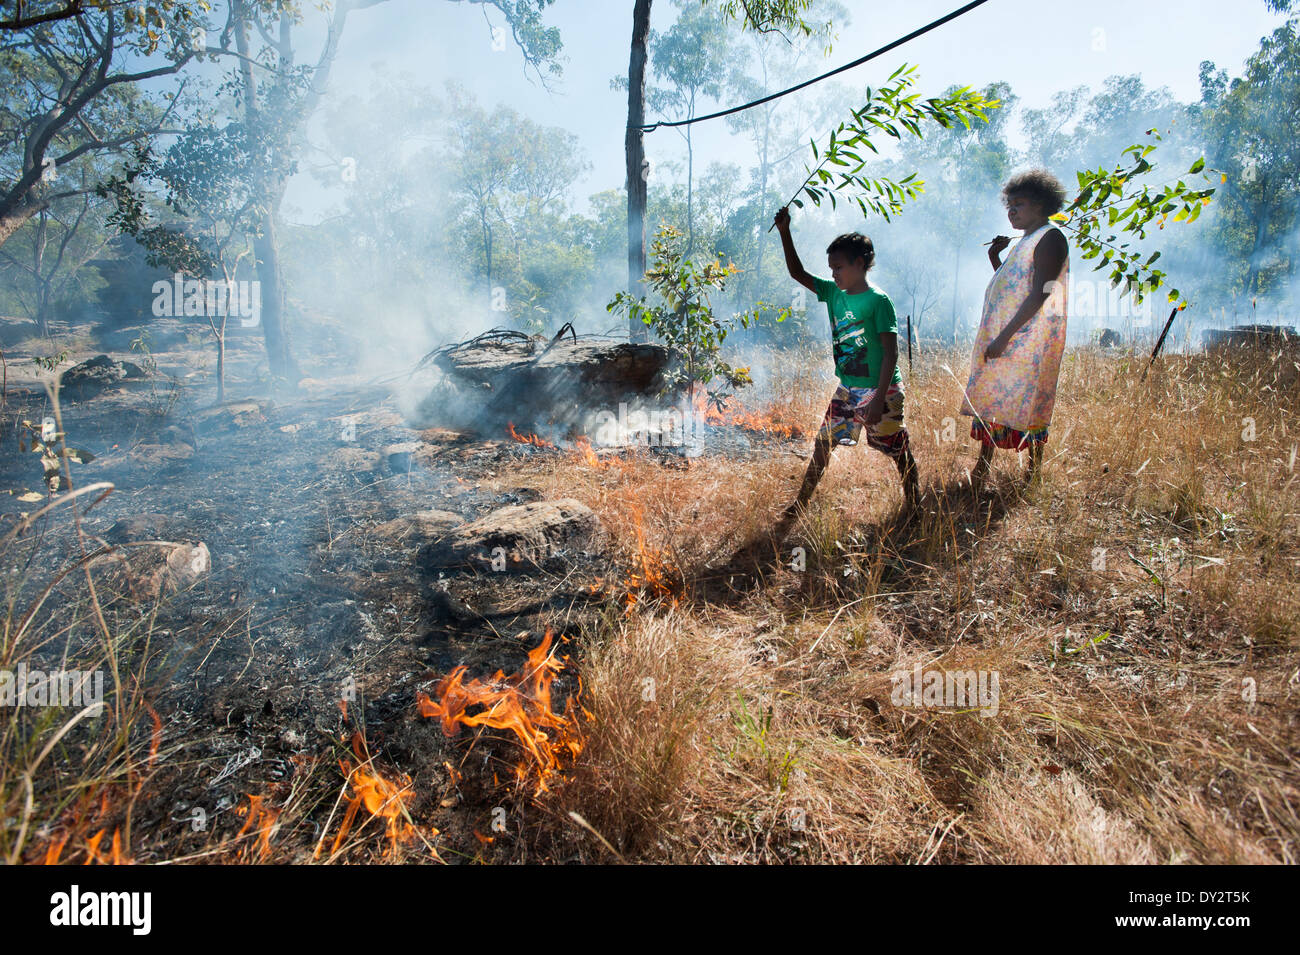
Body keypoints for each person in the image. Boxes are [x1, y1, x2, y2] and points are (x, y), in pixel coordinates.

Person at [773, 205, 920, 519]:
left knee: (896, 449)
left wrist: (879, 399)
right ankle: (800, 505)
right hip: (848, 389)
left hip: (882, 391)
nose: (833, 274)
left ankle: (915, 504)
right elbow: (797, 273)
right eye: (830, 268)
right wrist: (785, 232)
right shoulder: (832, 293)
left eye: (838, 267)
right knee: (823, 444)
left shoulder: (878, 301)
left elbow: (891, 353)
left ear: (860, 264)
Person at [962, 168, 1070, 486]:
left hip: (1028, 341)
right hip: (1007, 336)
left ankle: (1032, 474)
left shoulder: (1051, 238)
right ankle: (982, 468)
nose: (1011, 210)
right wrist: (995, 258)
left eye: (1019, 203)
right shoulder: (1024, 241)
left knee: (1030, 400)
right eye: (1009, 204)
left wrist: (1005, 338)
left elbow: (1041, 293)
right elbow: (1012, 287)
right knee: (996, 397)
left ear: (1042, 204)